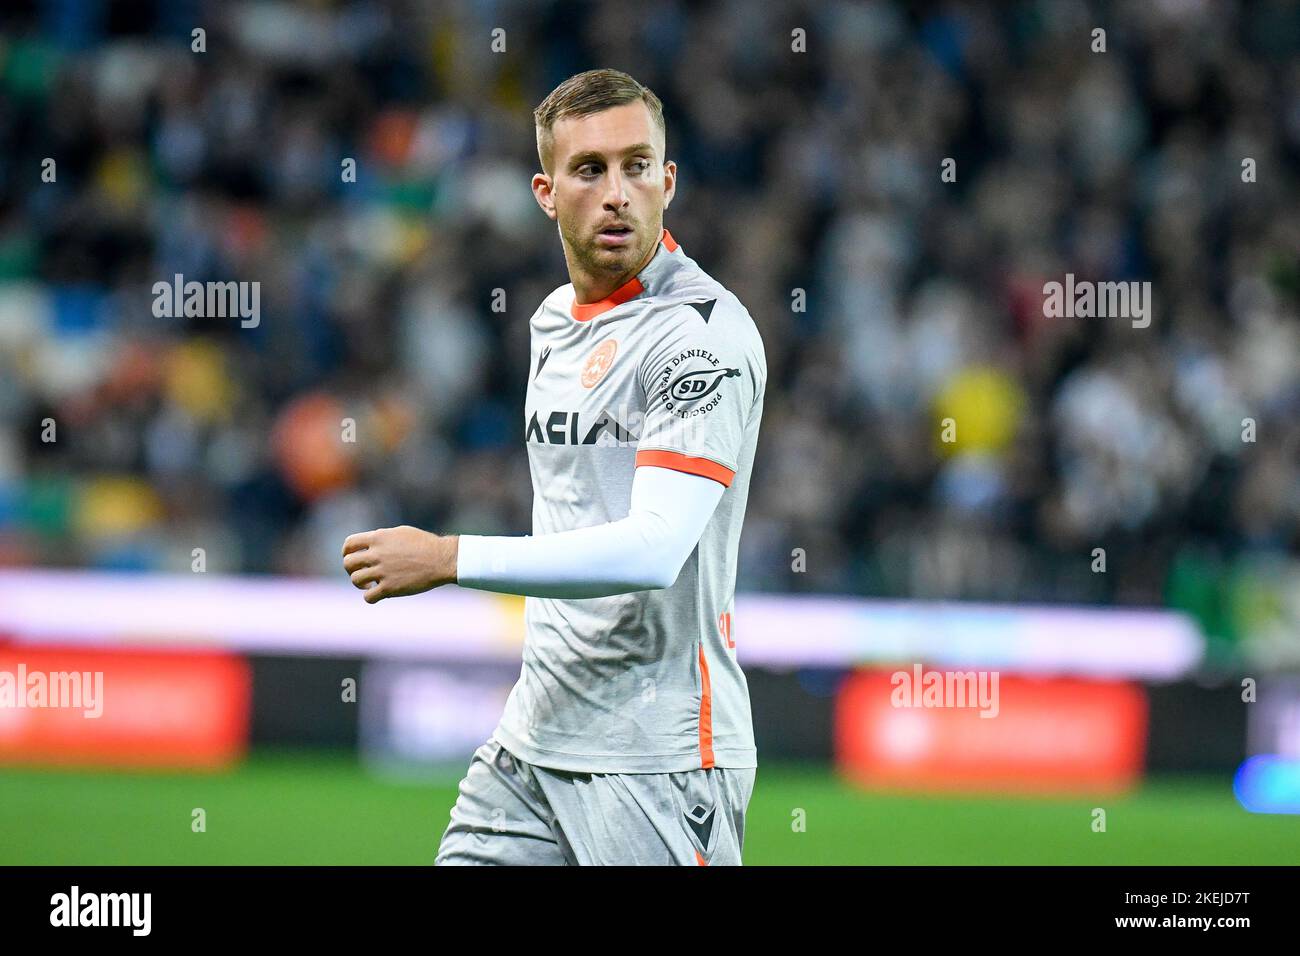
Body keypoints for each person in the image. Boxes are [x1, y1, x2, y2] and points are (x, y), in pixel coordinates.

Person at [341, 68, 767, 865]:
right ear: (545, 191)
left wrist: (446, 558)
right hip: (533, 742)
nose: (617, 193)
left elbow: (651, 549)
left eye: (637, 166)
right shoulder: (549, 321)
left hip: (655, 757)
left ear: (667, 180)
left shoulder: (699, 336)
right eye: (589, 169)